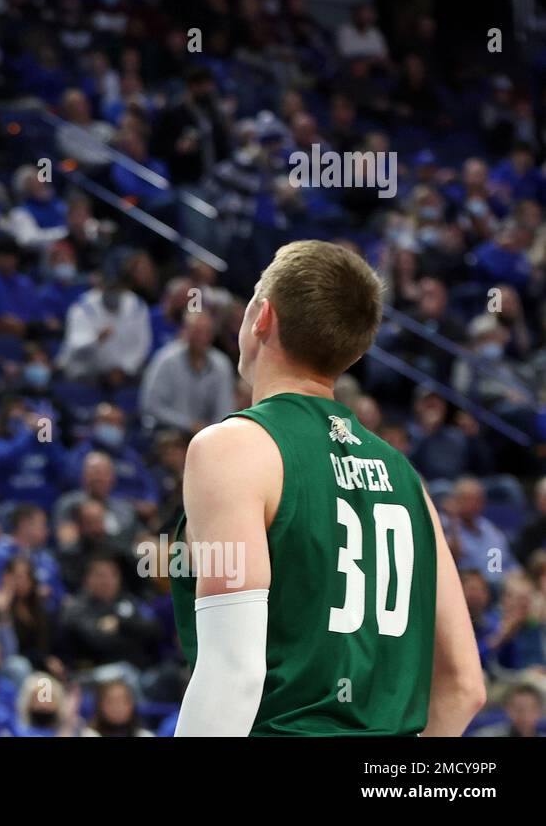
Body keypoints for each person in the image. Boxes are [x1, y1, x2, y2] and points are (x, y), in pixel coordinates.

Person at [171, 240, 484, 736]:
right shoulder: (406, 478)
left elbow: (235, 675)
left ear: (261, 316)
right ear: (355, 350)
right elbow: (465, 685)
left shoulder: (232, 450)